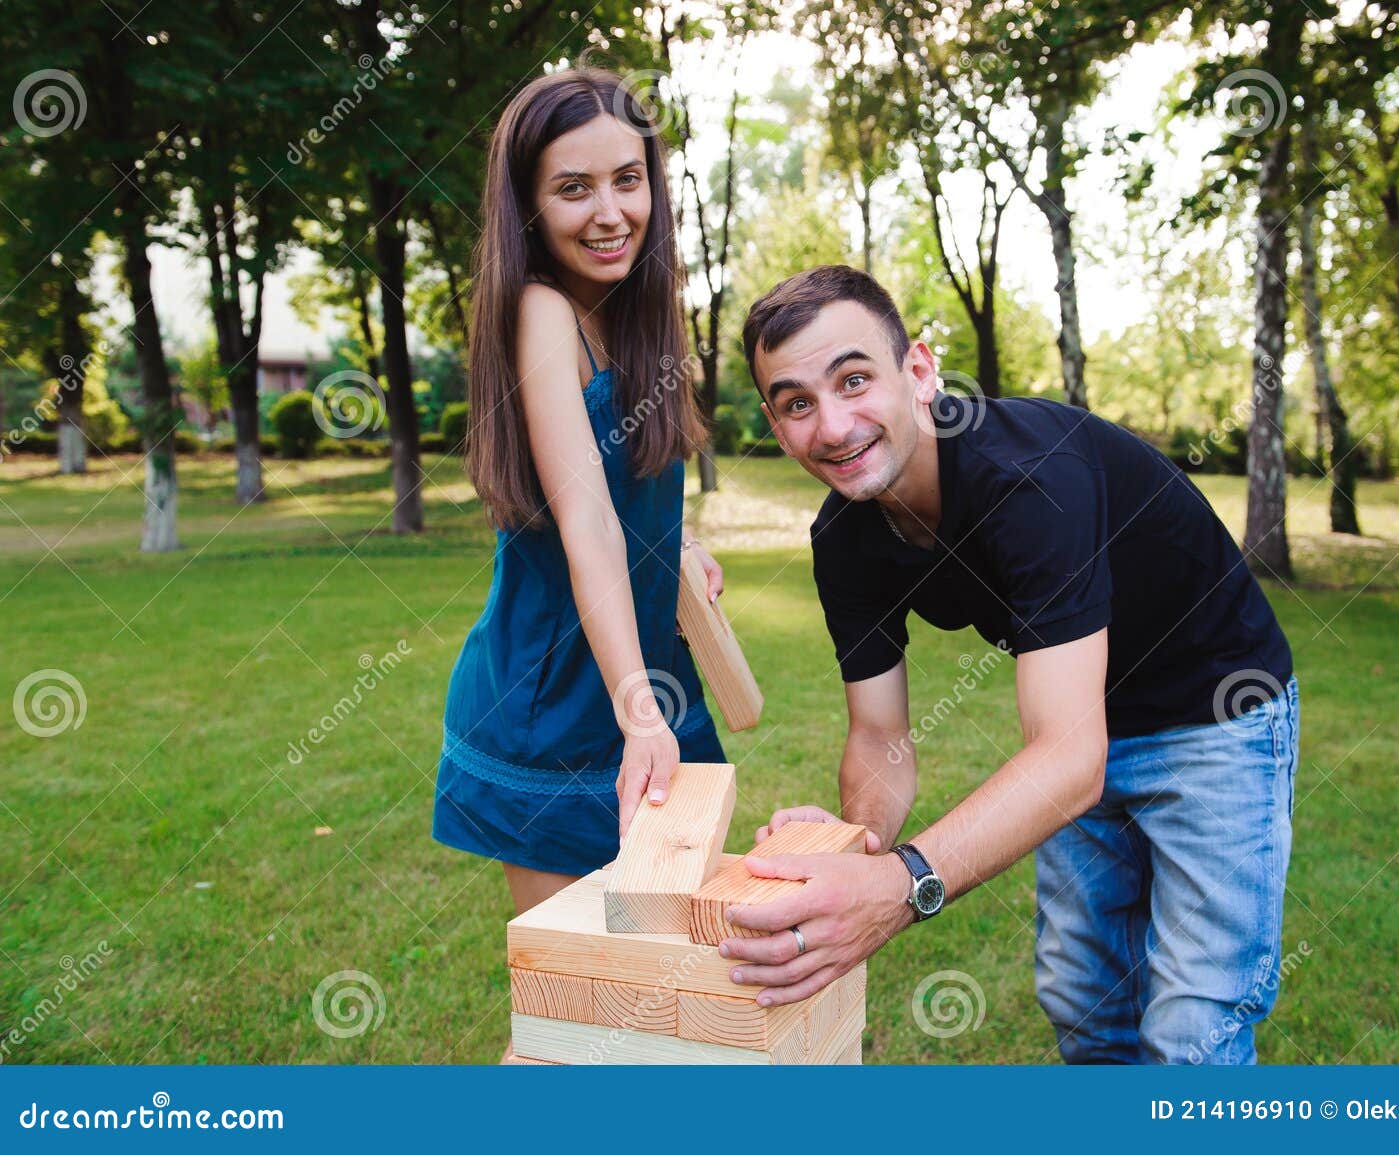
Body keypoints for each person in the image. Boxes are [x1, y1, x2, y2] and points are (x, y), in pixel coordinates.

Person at [717, 264, 1298, 1065]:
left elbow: (1068, 759)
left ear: (918, 371)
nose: (834, 425)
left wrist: (901, 885)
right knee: (1083, 1000)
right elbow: (880, 736)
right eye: (796, 403)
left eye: (854, 380)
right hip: (1081, 720)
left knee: (1194, 1029)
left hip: (1214, 711)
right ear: (778, 429)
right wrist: (856, 842)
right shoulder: (844, 539)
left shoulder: (1028, 477)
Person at [432, 68, 725, 938]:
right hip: (555, 705)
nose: (610, 213)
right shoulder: (541, 312)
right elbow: (584, 519)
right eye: (573, 188)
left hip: (645, 689)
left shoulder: (630, 312)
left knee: (667, 995)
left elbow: (617, 487)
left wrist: (676, 541)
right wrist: (640, 714)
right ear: (527, 206)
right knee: (578, 1018)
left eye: (627, 180)